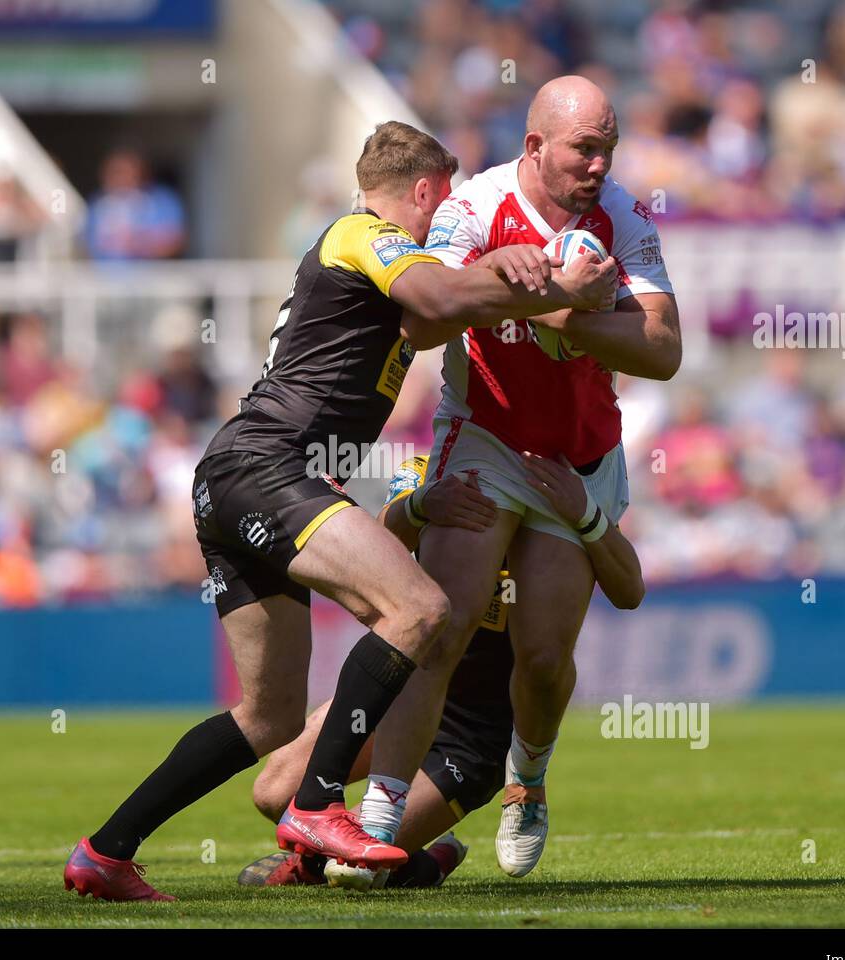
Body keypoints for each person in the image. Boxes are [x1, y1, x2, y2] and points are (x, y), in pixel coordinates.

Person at [63, 121, 617, 901]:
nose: (448, 223)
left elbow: (449, 312)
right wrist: (552, 283)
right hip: (270, 465)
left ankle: (106, 852)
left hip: (235, 475)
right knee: (419, 608)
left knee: (269, 714)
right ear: (423, 191)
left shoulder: (369, 256)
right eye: (444, 204)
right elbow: (436, 293)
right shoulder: (366, 233)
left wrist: (539, 298)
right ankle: (321, 806)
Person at [357, 76, 680, 880]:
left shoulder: (629, 217)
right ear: (535, 146)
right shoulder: (473, 210)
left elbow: (664, 350)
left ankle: (526, 783)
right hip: (486, 435)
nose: (599, 164)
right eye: (583, 147)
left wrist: (566, 312)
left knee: (541, 657)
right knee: (444, 619)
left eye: (607, 146)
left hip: (575, 455)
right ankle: (378, 813)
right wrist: (508, 280)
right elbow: (425, 321)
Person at [240, 450, 644, 889]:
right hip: (401, 697)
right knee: (273, 792)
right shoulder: (436, 466)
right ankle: (411, 855)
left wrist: (586, 515)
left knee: (350, 867)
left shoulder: (556, 490)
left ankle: (422, 858)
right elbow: (379, 542)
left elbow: (630, 589)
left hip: (473, 736)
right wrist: (422, 504)